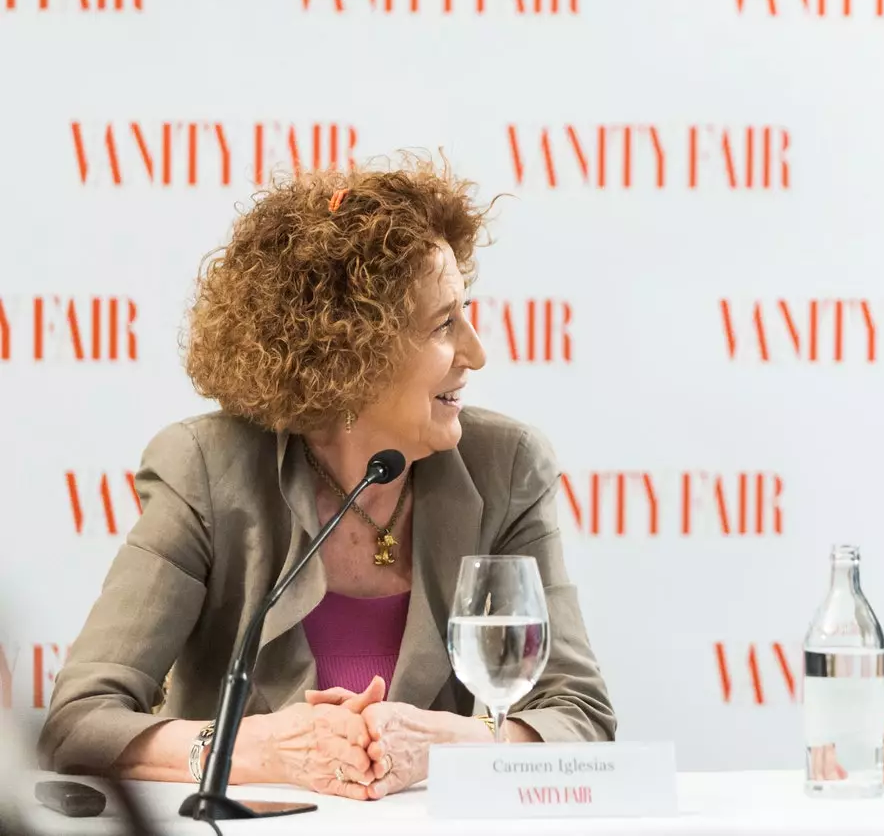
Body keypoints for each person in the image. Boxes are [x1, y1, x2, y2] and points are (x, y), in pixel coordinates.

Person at [39, 159, 615, 800]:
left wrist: (452, 747)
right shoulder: (204, 470)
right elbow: (80, 724)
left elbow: (580, 716)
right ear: (351, 353)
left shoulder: (504, 465)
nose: (477, 353)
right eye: (445, 324)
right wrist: (251, 749)